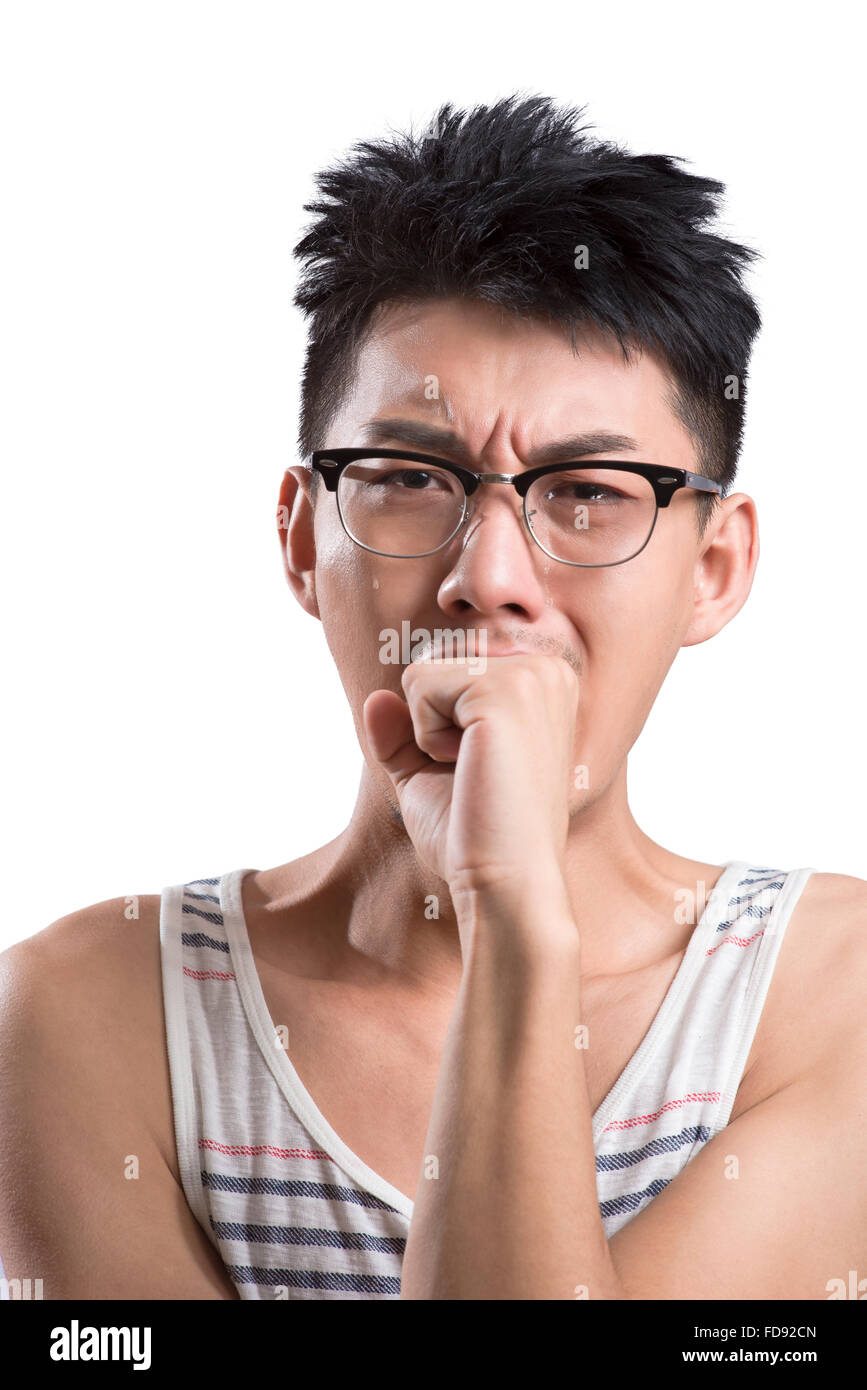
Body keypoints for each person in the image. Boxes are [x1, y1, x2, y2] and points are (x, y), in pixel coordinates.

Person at [1, 94, 864, 1302]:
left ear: (712, 572)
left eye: (590, 491)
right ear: (303, 540)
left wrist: (515, 923)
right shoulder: (82, 1010)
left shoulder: (834, 993)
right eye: (410, 476)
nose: (488, 578)